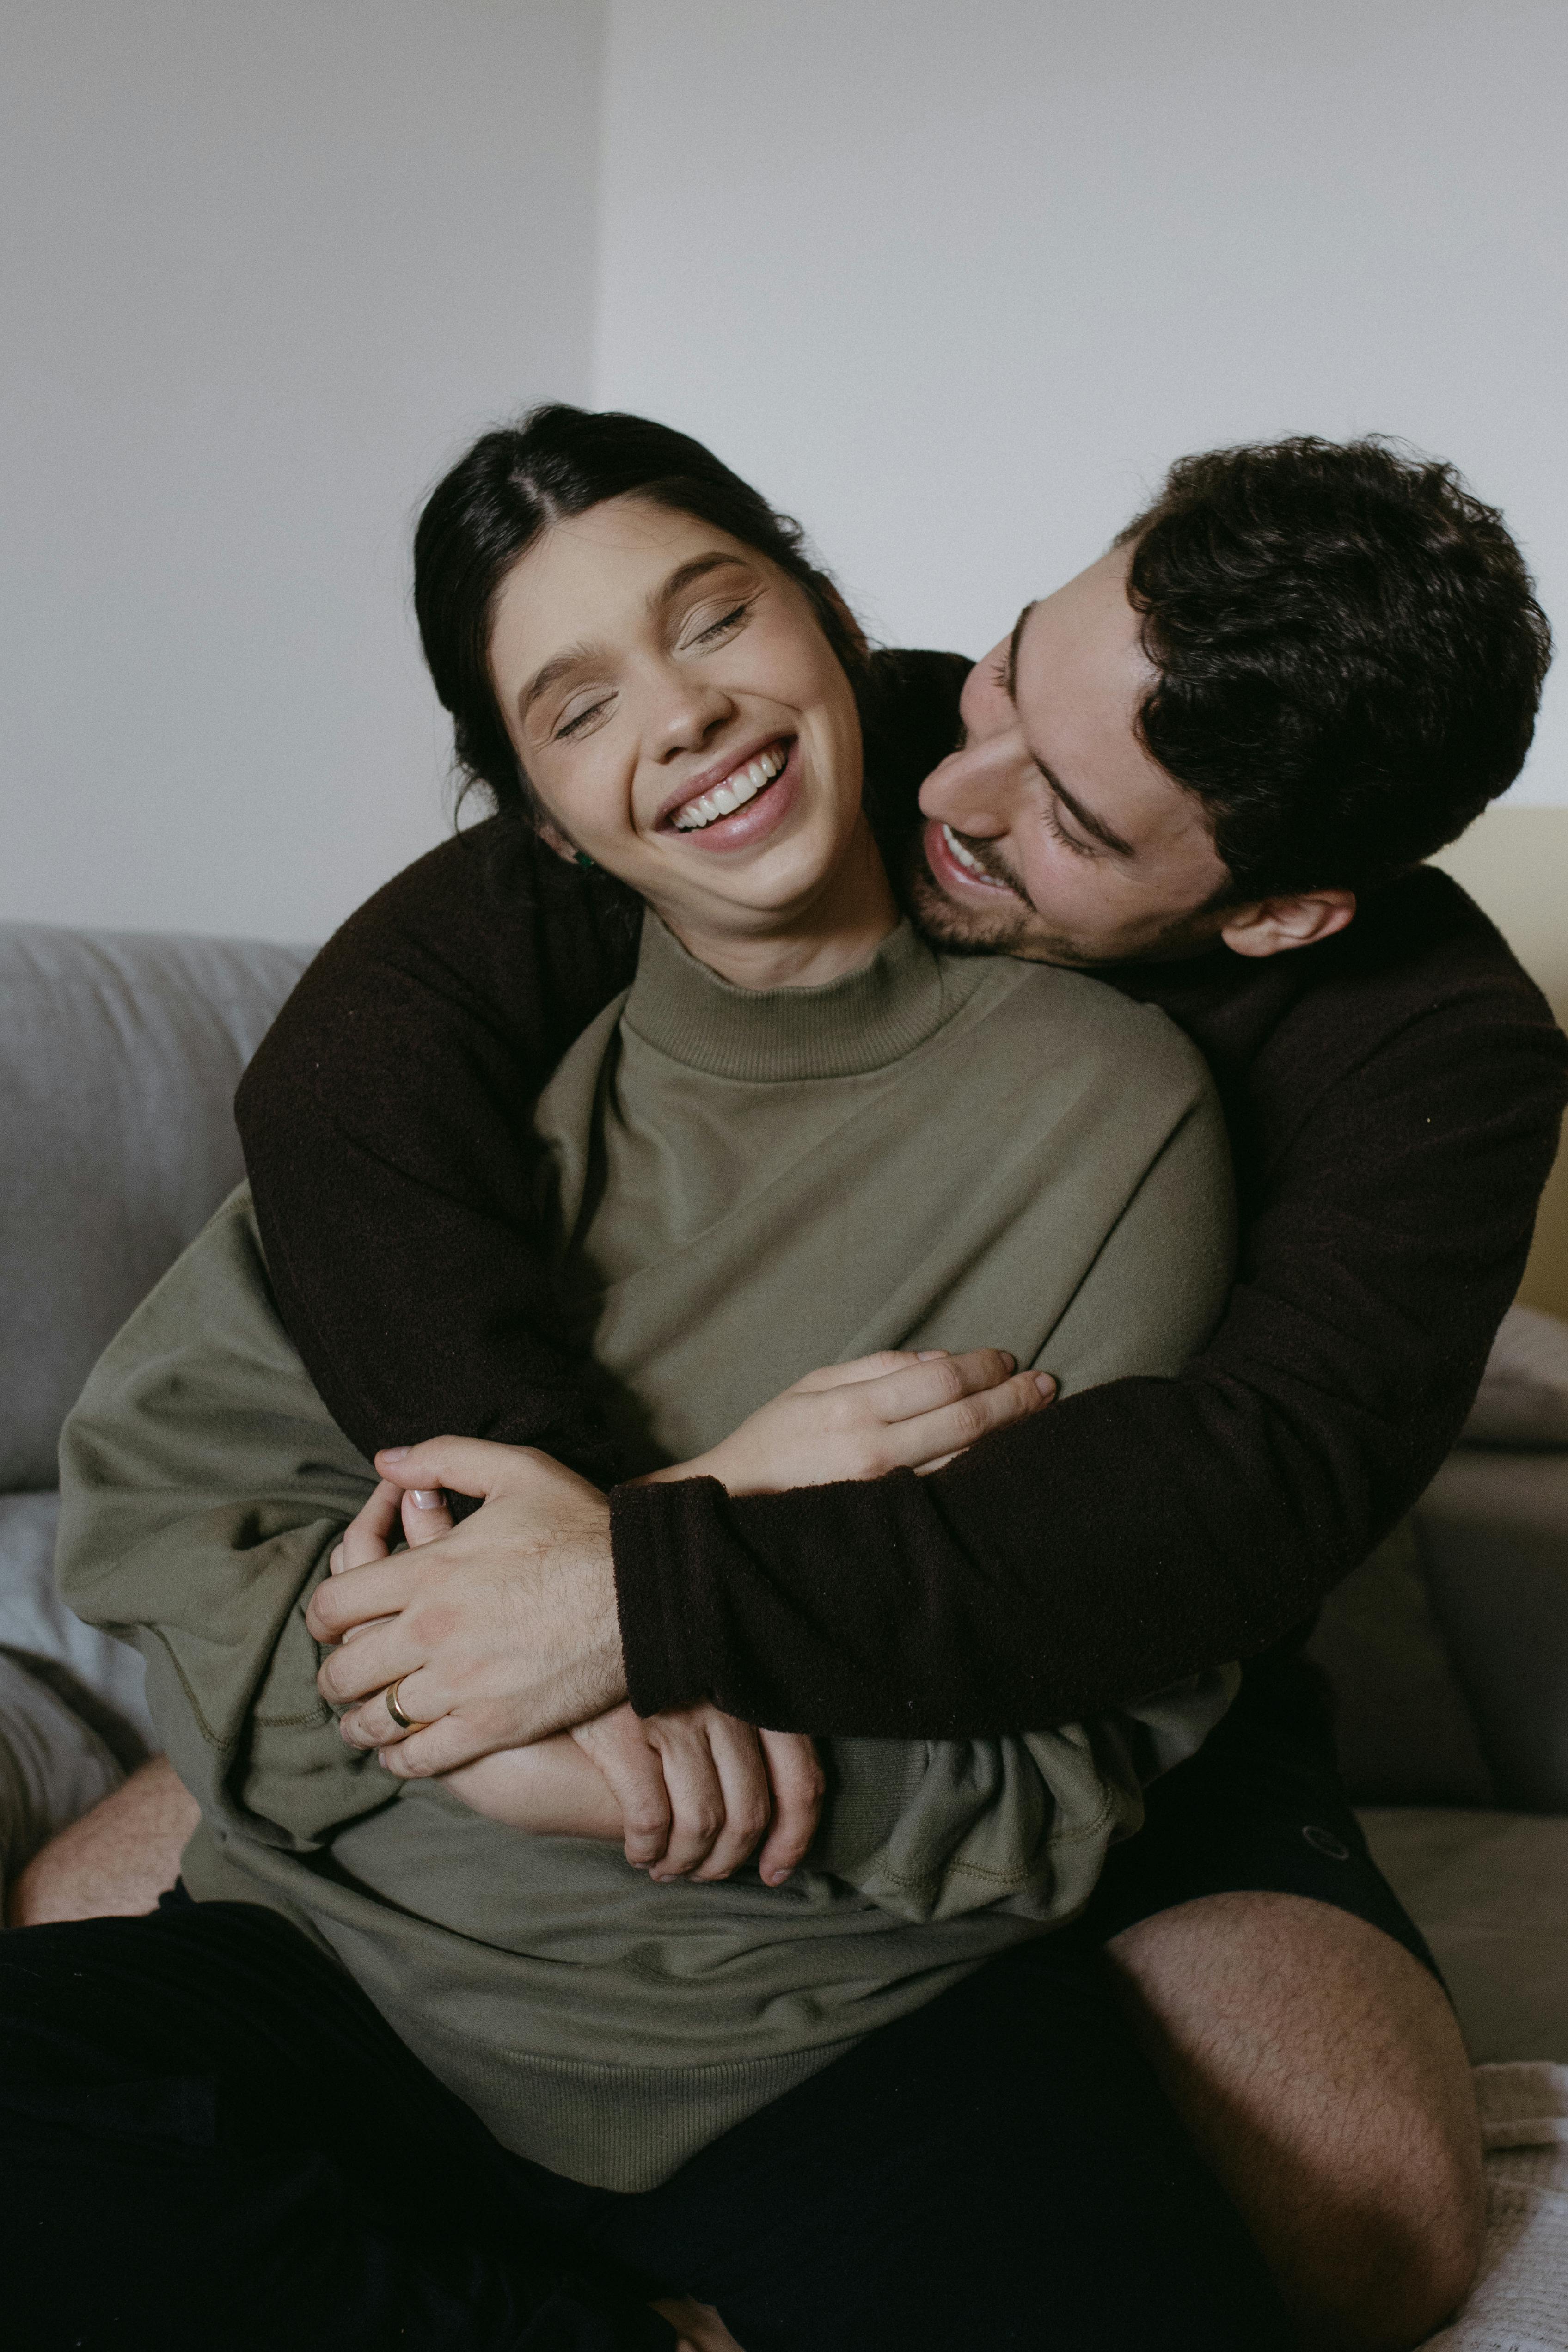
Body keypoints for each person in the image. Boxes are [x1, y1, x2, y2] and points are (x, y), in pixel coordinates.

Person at [228, 416, 1567, 2348]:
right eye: (1014, 669)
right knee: (111, 1913)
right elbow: (347, 1078)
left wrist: (639, 1595)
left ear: (1276, 913)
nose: (958, 788)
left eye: (1073, 826)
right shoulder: (833, 733)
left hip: (1112, 1680)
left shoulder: (1436, 1054)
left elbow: (1233, 1499)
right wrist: (534, 1509)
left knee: (1363, 2219)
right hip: (617, 1504)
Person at [14, 410, 1287, 2352]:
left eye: (716, 619)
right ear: (540, 812)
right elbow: (182, 1525)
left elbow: (1071, 1749)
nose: (682, 716)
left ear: (833, 629)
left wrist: (613, 1725)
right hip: (351, 1968)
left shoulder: (1104, 1117)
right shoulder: (445, 1100)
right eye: (577, 704)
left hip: (826, 2019)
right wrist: (581, 1668)